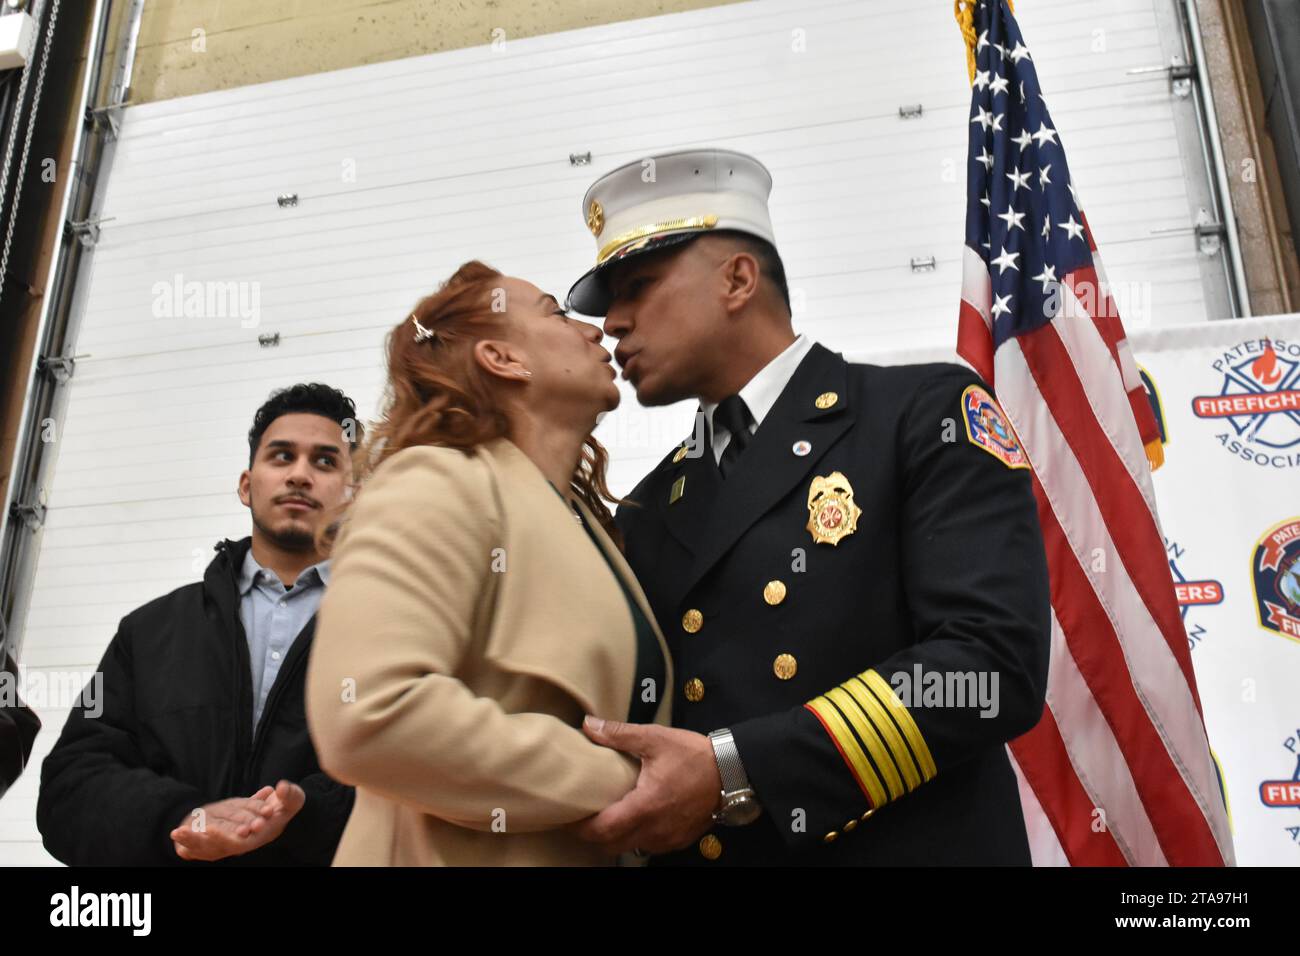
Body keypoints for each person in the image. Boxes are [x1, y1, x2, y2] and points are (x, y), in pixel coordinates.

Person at [564, 147, 1051, 865]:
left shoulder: (920, 415)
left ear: (738, 279)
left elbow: (989, 667)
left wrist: (738, 768)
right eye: (609, 306)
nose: (615, 323)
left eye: (639, 286)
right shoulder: (643, 508)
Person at [305, 261, 672, 866]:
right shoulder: (437, 479)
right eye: (556, 311)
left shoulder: (585, 525)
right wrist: (630, 782)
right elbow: (367, 712)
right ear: (502, 359)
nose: (597, 330)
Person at [37, 383, 358, 865]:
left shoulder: (391, 631)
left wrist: (305, 814)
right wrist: (184, 817)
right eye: (281, 456)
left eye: (325, 462)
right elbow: (70, 786)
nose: (300, 475)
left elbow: (414, 781)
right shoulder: (147, 633)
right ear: (247, 485)